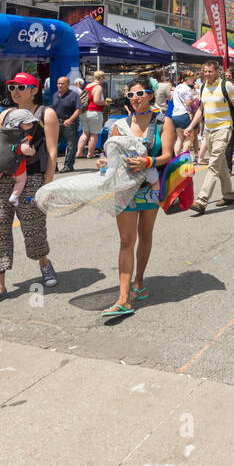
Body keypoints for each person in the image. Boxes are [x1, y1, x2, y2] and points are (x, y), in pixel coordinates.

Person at [0, 73, 59, 310]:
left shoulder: (46, 114)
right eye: (12, 87)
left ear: (34, 90)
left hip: (31, 178)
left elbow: (52, 153)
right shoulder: (5, 115)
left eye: (22, 87)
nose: (16, 91)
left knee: (33, 227)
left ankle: (43, 262)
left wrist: (47, 186)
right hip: (3, 179)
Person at [98, 75, 176, 319]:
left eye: (140, 94)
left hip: (150, 188)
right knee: (125, 240)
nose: (135, 99)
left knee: (145, 235)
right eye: (131, 95)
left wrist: (148, 160)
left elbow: (167, 155)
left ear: (150, 95)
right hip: (124, 187)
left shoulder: (163, 122)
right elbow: (110, 153)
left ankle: (139, 280)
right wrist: (105, 162)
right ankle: (123, 298)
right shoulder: (119, 125)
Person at [185, 60, 234, 215]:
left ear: (218, 71)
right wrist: (191, 126)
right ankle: (229, 195)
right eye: (205, 71)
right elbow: (201, 110)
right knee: (221, 164)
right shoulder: (203, 87)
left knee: (213, 164)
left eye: (210, 71)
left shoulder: (226, 85)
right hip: (209, 131)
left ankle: (202, 200)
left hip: (224, 129)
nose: (207, 74)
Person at [0, 109, 37, 205]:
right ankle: (14, 196)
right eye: (28, 123)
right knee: (21, 180)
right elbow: (25, 149)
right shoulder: (24, 136)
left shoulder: (2, 132)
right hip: (15, 166)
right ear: (19, 124)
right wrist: (32, 152)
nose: (31, 125)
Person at [52, 76, 81, 172]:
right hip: (57, 124)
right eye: (58, 83)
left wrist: (70, 120)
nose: (60, 85)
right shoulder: (55, 95)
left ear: (68, 85)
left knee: (70, 145)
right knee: (53, 145)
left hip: (69, 123)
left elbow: (78, 109)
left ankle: (68, 165)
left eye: (62, 83)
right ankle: (53, 166)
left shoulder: (74, 95)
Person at [77, 70, 108, 161]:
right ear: (101, 78)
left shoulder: (88, 86)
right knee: (94, 134)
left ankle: (79, 152)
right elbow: (96, 100)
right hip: (94, 112)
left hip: (84, 112)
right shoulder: (98, 87)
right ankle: (90, 153)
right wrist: (105, 103)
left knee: (85, 133)